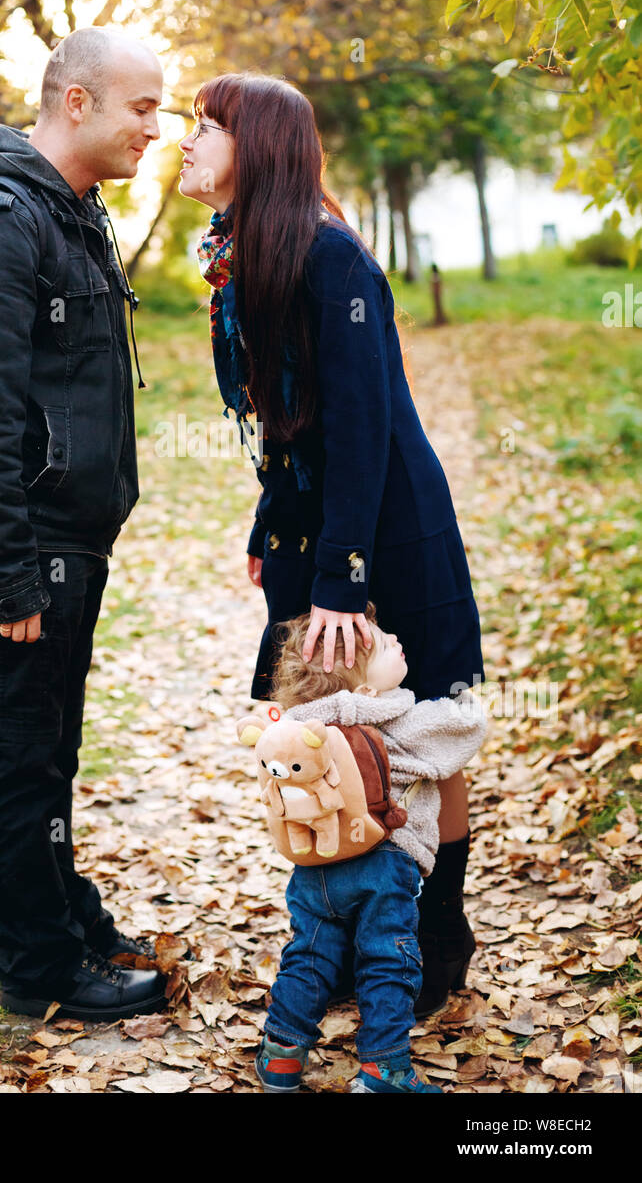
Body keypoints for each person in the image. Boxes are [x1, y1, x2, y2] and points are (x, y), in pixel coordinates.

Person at [178, 73, 486, 1017]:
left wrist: (343, 582)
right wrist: (270, 531)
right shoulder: (242, 259)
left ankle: (436, 943)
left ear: (258, 144)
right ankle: (361, 938)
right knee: (325, 735)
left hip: (384, 533)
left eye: (205, 126)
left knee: (424, 734)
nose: (185, 142)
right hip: (313, 533)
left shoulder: (331, 257)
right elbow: (286, 426)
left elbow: (362, 427)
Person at [0, 27, 168, 1021]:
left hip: (68, 538)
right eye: (141, 107)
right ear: (76, 103)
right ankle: (38, 967)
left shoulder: (69, 212)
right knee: (18, 751)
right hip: (25, 546)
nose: (157, 127)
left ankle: (64, 914)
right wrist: (7, 573)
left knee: (49, 745)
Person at [251, 606, 487, 1093]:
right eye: (383, 645)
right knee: (387, 960)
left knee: (309, 954)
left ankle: (281, 1056)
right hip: (387, 865)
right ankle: (384, 1068)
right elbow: (468, 726)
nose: (397, 637)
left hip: (316, 867)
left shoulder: (294, 732)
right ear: (362, 693)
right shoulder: (404, 723)